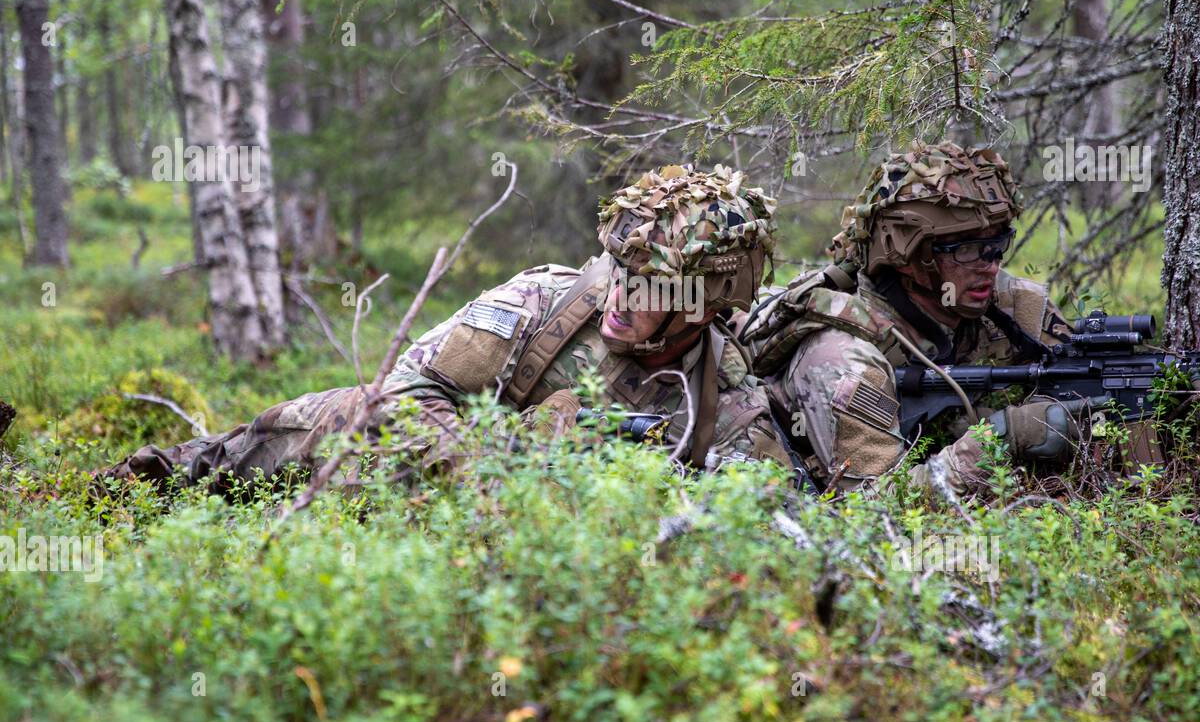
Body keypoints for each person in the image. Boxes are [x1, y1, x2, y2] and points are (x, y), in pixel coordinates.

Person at [101, 164, 788, 492]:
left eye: (648, 288)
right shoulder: (543, 304)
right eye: (617, 270)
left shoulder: (721, 396)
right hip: (426, 468)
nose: (619, 295)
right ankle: (155, 478)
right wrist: (481, 471)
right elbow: (404, 393)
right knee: (336, 418)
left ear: (701, 305)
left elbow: (758, 512)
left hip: (529, 551)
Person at [744, 140, 1147, 496]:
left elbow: (1089, 387)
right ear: (909, 256)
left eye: (996, 245)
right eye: (967, 250)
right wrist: (1001, 441)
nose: (989, 266)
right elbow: (875, 508)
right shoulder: (843, 359)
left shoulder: (1013, 306)